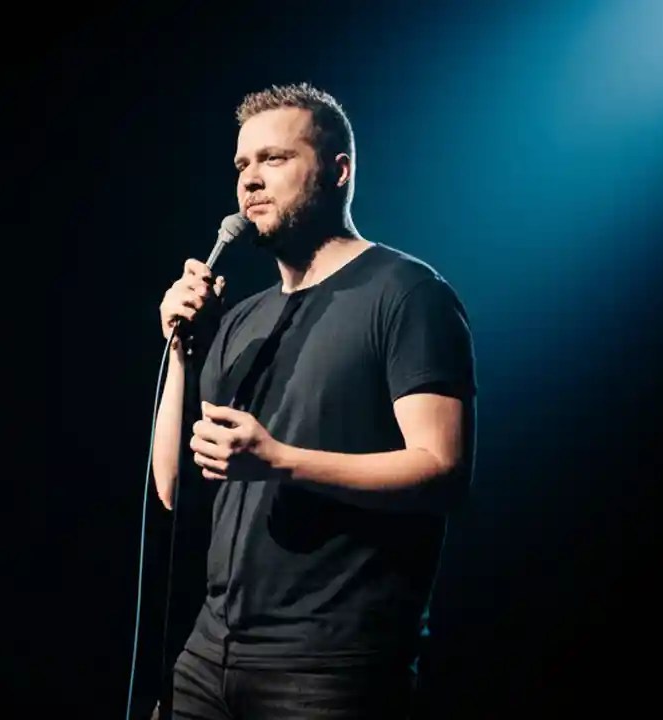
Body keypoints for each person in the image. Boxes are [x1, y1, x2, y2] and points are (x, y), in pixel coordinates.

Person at [152, 82, 476, 719]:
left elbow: (443, 472)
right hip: (209, 654)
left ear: (338, 172)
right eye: (242, 165)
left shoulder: (406, 294)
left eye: (274, 159)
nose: (250, 181)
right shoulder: (242, 320)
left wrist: (279, 461)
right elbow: (170, 486)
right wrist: (181, 353)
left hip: (329, 665)